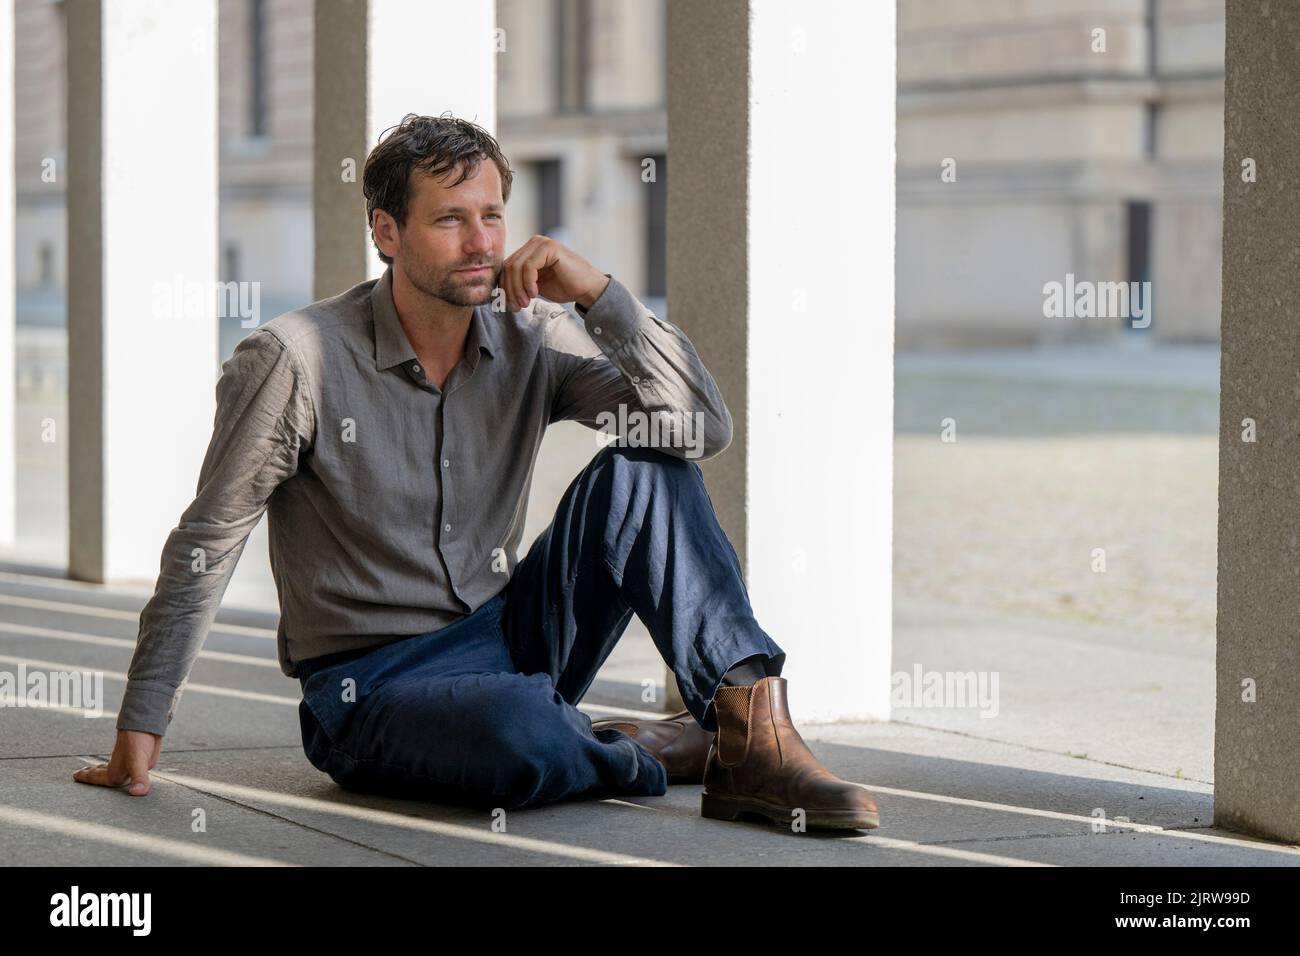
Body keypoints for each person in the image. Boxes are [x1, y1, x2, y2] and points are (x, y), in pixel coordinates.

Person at [73, 113, 880, 831]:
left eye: (492, 215)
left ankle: (750, 728)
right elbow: (207, 543)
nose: (482, 243)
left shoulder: (533, 336)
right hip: (372, 688)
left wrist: (601, 296)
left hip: (513, 638)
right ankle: (643, 753)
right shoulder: (294, 359)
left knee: (645, 470)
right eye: (450, 220)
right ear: (387, 232)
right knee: (513, 730)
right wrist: (140, 727)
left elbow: (699, 430)